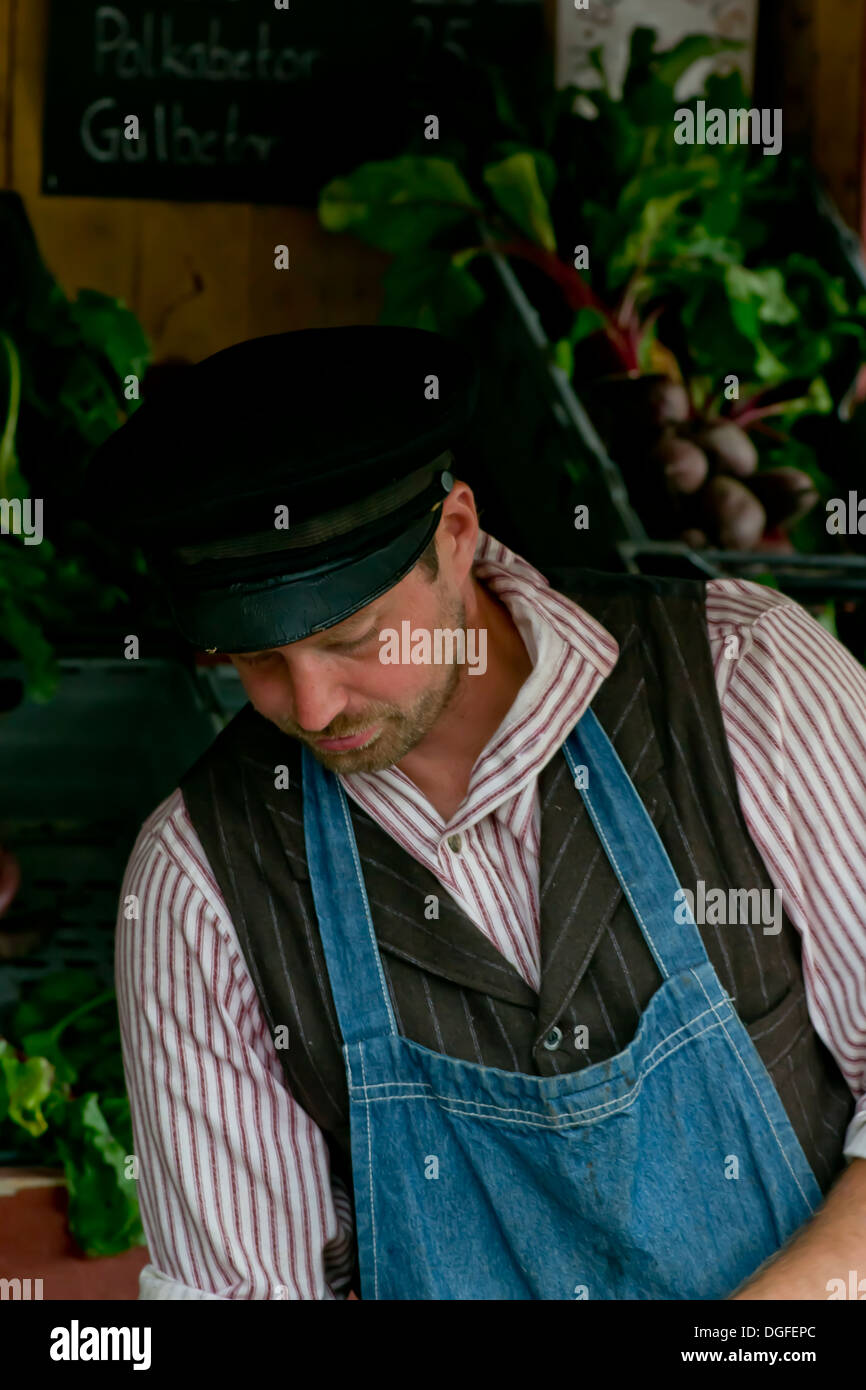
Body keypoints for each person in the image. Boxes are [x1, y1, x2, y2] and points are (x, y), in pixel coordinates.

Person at [86, 325, 866, 1300]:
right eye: (256, 663)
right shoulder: (200, 884)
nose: (314, 705)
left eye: (352, 637)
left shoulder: (741, 684)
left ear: (454, 532)